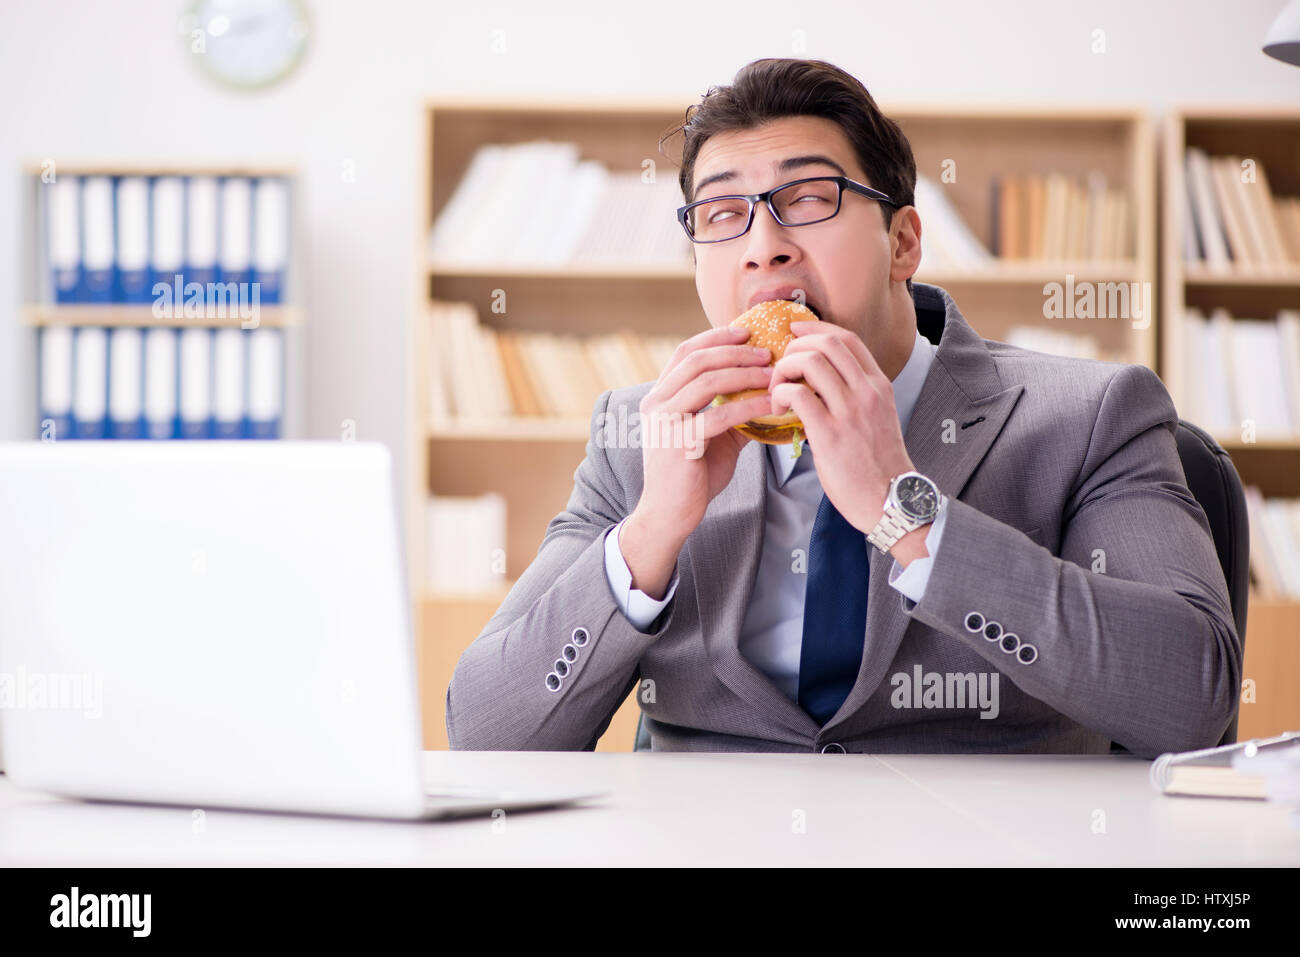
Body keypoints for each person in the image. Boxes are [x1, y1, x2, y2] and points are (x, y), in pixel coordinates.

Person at [446, 58, 1240, 756]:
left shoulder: (1090, 415)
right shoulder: (640, 437)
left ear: (903, 242)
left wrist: (908, 513)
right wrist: (653, 531)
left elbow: (1190, 699)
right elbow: (485, 733)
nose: (763, 245)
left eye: (808, 197)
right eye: (723, 214)